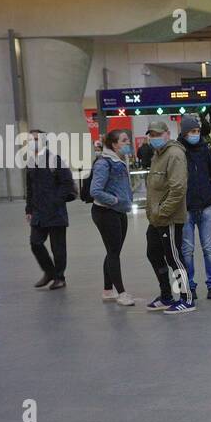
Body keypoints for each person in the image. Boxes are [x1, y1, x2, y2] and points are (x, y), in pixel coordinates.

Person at [143, 119, 193, 313]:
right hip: (156, 219)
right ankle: (166, 295)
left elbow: (178, 188)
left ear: (167, 134)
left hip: (169, 218)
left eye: (158, 134)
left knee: (174, 258)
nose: (154, 138)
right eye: (152, 135)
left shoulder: (174, 154)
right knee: (153, 253)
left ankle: (186, 298)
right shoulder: (158, 155)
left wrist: (162, 211)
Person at [178, 115, 211, 301]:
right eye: (192, 132)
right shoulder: (178, 152)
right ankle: (190, 285)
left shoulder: (205, 151)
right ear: (184, 132)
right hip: (186, 209)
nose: (196, 134)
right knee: (187, 251)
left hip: (205, 207)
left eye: (197, 131)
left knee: (209, 248)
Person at [89, 129, 135, 306]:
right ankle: (121, 293)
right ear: (114, 144)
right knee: (114, 252)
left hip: (118, 211)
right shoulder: (104, 163)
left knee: (112, 251)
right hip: (105, 212)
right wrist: (115, 200)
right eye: (124, 141)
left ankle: (108, 290)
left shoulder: (119, 160)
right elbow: (95, 190)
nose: (127, 143)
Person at [23, 131, 71, 289]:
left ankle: (60, 277)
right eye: (30, 139)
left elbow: (67, 183)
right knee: (35, 242)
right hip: (38, 212)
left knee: (58, 247)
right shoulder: (31, 162)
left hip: (55, 211)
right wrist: (29, 208)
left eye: (35, 139)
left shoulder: (54, 159)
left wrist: (55, 201)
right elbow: (29, 188)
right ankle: (49, 272)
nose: (32, 142)